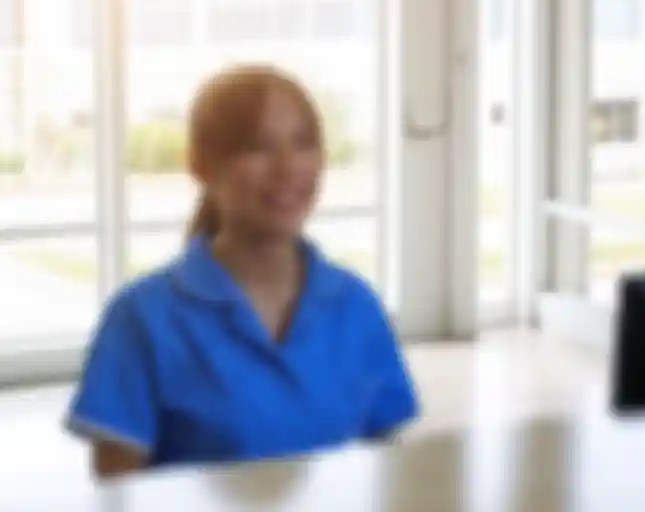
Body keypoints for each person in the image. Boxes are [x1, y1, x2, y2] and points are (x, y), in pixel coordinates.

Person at [65, 65, 419, 479]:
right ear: (200, 164)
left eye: (304, 143)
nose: (288, 167)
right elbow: (118, 492)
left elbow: (390, 473)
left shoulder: (356, 306)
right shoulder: (142, 319)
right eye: (259, 146)